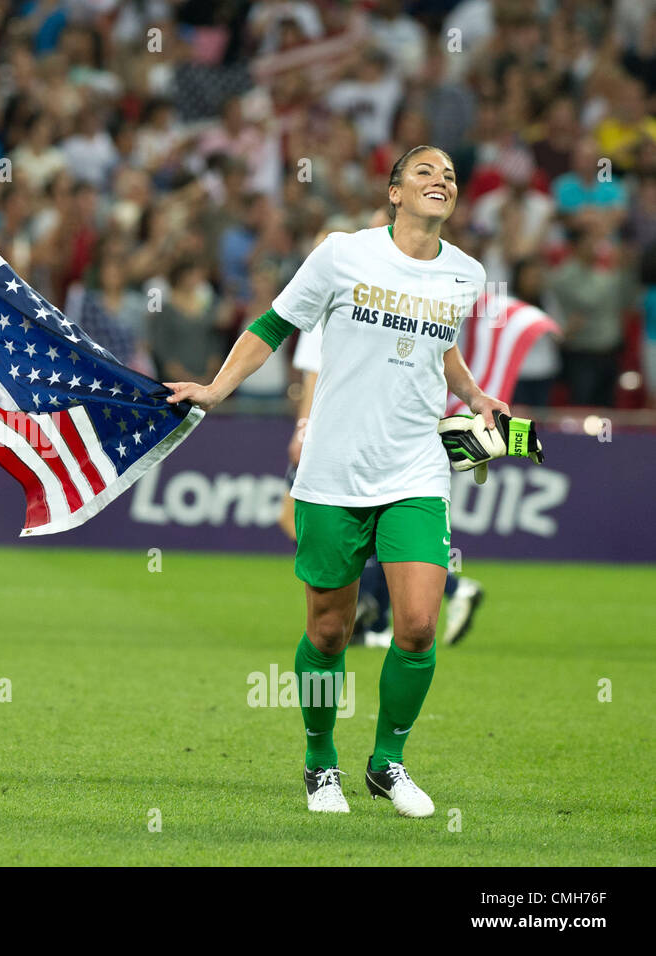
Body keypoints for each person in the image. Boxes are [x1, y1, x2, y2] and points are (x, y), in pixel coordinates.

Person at [166, 146, 509, 817]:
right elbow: (273, 324)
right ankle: (320, 762)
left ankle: (387, 762)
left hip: (415, 468)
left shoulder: (465, 275)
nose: (441, 180)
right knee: (329, 631)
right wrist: (216, 388)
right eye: (424, 172)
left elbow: (442, 347)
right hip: (333, 468)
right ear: (393, 192)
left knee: (415, 625)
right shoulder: (341, 254)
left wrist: (475, 397)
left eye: (449, 175)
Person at [284, 305, 486, 649]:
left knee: (335, 524)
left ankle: (373, 608)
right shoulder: (365, 297)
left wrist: (303, 431)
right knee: (374, 529)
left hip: (336, 440)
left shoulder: (330, 299)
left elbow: (315, 375)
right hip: (376, 436)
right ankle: (374, 610)